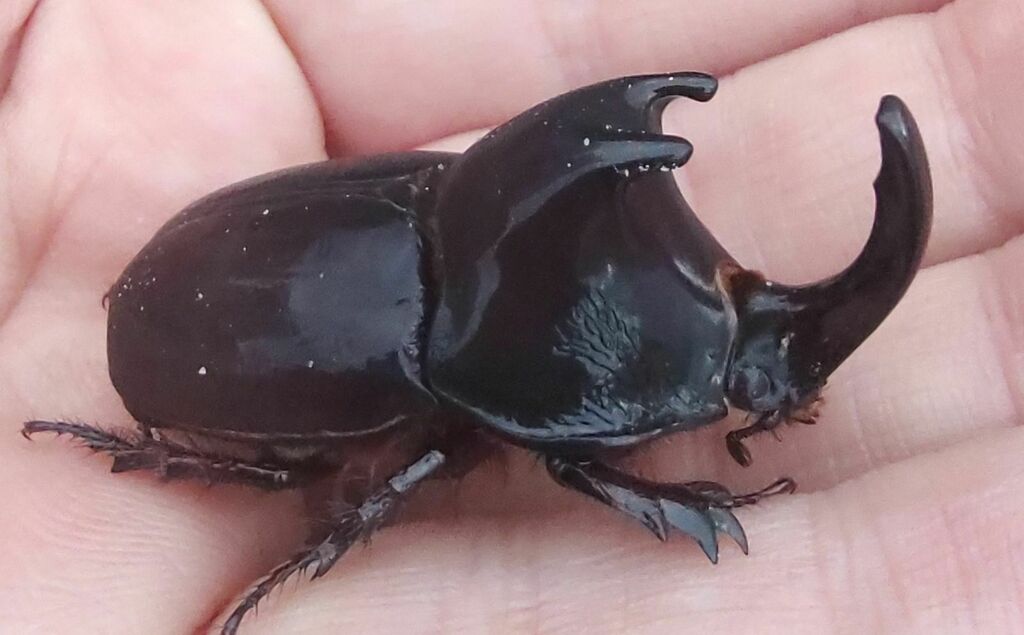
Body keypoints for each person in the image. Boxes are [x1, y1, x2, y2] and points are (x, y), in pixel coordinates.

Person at [2, 1, 1022, 632]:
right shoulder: (479, 348)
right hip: (181, 341)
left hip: (218, 257)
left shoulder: (477, 195)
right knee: (303, 476)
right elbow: (570, 460)